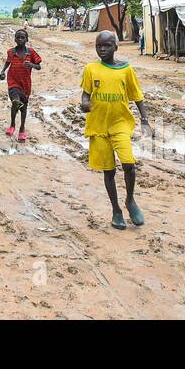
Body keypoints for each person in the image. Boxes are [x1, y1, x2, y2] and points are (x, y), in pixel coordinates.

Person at [80, 31, 150, 231]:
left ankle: (130, 200)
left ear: (116, 47)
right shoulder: (90, 69)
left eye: (107, 45)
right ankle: (116, 210)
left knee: (129, 164)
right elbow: (85, 94)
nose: (102, 49)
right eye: (99, 46)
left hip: (120, 124)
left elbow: (137, 96)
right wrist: (85, 104)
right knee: (108, 170)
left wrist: (145, 120)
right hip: (98, 126)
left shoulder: (126, 70)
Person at [0, 28, 42, 141]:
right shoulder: (11, 52)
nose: (20, 39)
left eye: (23, 37)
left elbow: (39, 66)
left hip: (26, 83)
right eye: (18, 37)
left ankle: (22, 129)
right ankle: (12, 125)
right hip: (13, 81)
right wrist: (3, 71)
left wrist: (31, 64)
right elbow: (8, 62)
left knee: (23, 107)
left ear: (27, 39)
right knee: (15, 100)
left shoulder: (31, 52)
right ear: (15, 39)